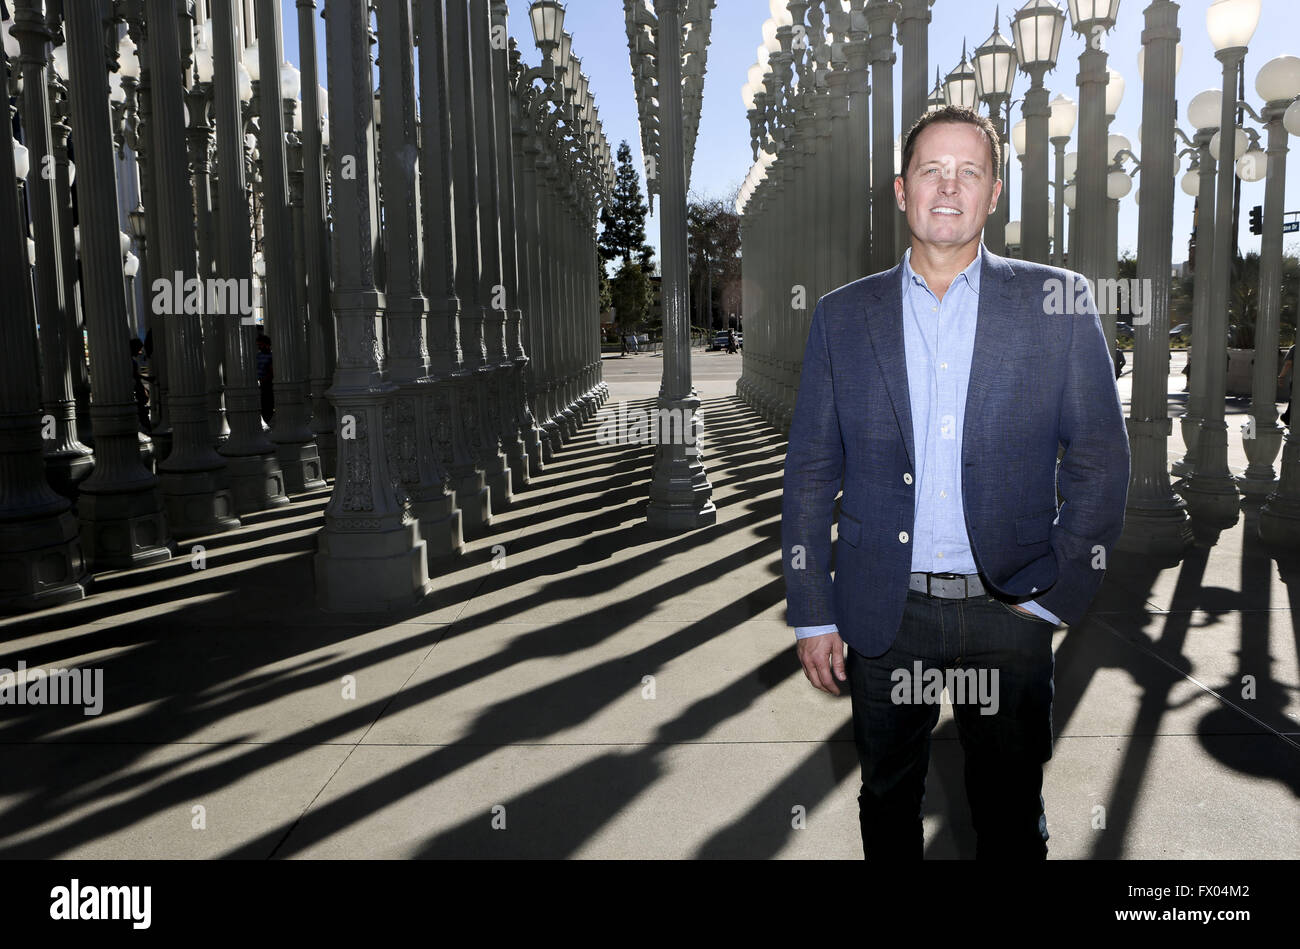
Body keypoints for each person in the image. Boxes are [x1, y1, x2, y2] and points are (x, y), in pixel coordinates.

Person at [782, 105, 1129, 860]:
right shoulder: (843, 318)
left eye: (968, 171)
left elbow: (1100, 459)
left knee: (1009, 814)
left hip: (1011, 610)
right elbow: (810, 472)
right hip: (884, 614)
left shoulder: (1057, 304)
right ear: (901, 190)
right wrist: (812, 612)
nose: (949, 187)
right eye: (932, 171)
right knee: (887, 803)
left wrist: (1055, 592)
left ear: (993, 192)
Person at [130, 337, 151, 434]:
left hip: (137, 390)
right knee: (142, 412)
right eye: (139, 349)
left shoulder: (131, 361)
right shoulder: (131, 362)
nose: (140, 352)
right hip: (136, 391)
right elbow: (135, 377)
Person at [256, 332, 274, 424]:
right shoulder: (258, 356)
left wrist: (265, 379)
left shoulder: (271, 356)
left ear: (267, 344)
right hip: (260, 383)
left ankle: (268, 419)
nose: (259, 347)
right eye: (259, 345)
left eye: (261, 345)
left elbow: (271, 371)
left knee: (267, 403)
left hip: (267, 384)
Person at [1280, 344, 1294, 427]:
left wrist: (1281, 377)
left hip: (1296, 381)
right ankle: (1287, 417)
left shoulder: (1294, 348)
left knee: (1293, 400)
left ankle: (1287, 417)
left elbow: (1288, 363)